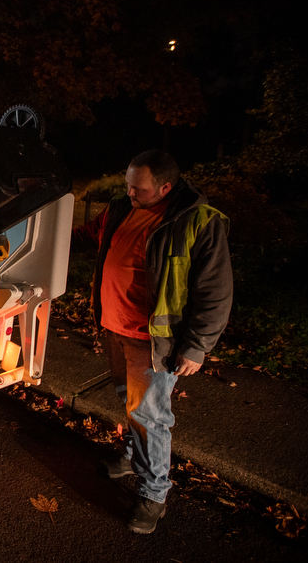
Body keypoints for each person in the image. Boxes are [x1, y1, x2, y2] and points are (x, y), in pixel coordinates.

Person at [72, 150, 232, 534]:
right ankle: (130, 457)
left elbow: (216, 290)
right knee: (128, 401)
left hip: (152, 341)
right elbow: (86, 236)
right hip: (115, 327)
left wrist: (197, 346)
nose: (129, 193)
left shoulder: (197, 221)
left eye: (137, 189)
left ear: (165, 186)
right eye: (127, 185)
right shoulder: (120, 210)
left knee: (150, 417)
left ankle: (154, 494)